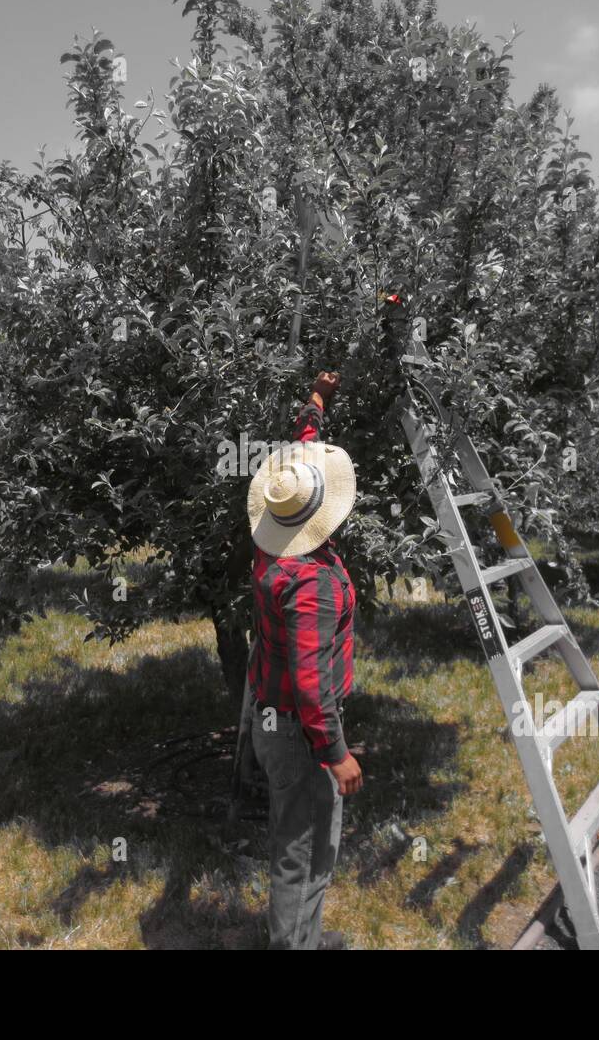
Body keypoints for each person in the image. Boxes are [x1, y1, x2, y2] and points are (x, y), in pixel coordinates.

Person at [245, 370, 363, 950]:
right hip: (300, 732)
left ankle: (306, 936)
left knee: (299, 839)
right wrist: (335, 753)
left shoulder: (273, 545)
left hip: (275, 721)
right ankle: (294, 942)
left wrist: (317, 401)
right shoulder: (311, 580)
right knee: (308, 849)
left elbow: (301, 457)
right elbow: (313, 681)